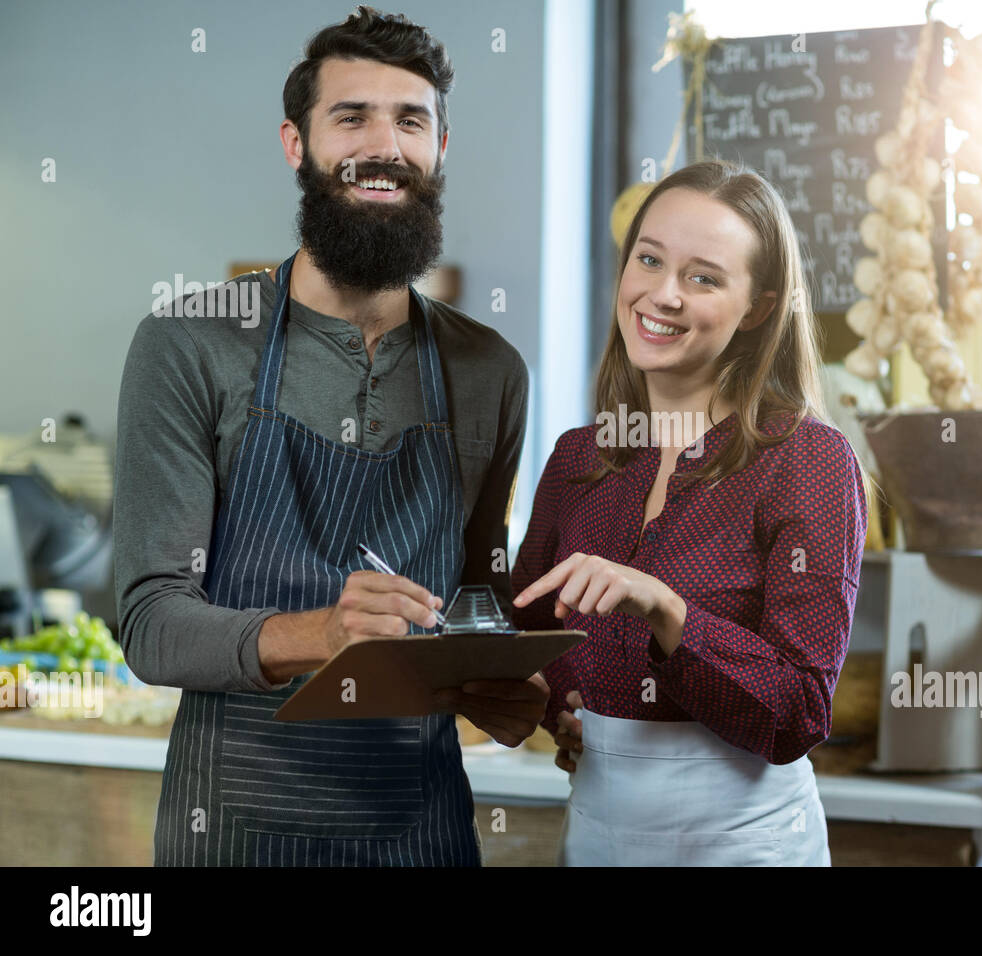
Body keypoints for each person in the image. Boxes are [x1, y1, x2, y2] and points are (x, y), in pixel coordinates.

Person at [113, 7, 547, 867]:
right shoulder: (190, 343)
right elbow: (151, 623)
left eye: (410, 120)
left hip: (420, 826)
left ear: (440, 149)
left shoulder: (489, 369)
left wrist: (499, 684)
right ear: (295, 144)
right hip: (232, 825)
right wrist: (322, 634)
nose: (383, 144)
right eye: (351, 117)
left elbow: (475, 593)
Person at [511, 159, 870, 866]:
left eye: (703, 278)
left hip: (748, 840)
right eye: (649, 260)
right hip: (596, 832)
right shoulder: (578, 458)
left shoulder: (810, 460)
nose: (662, 295)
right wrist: (559, 709)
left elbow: (798, 712)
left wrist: (666, 611)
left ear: (759, 307)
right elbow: (527, 631)